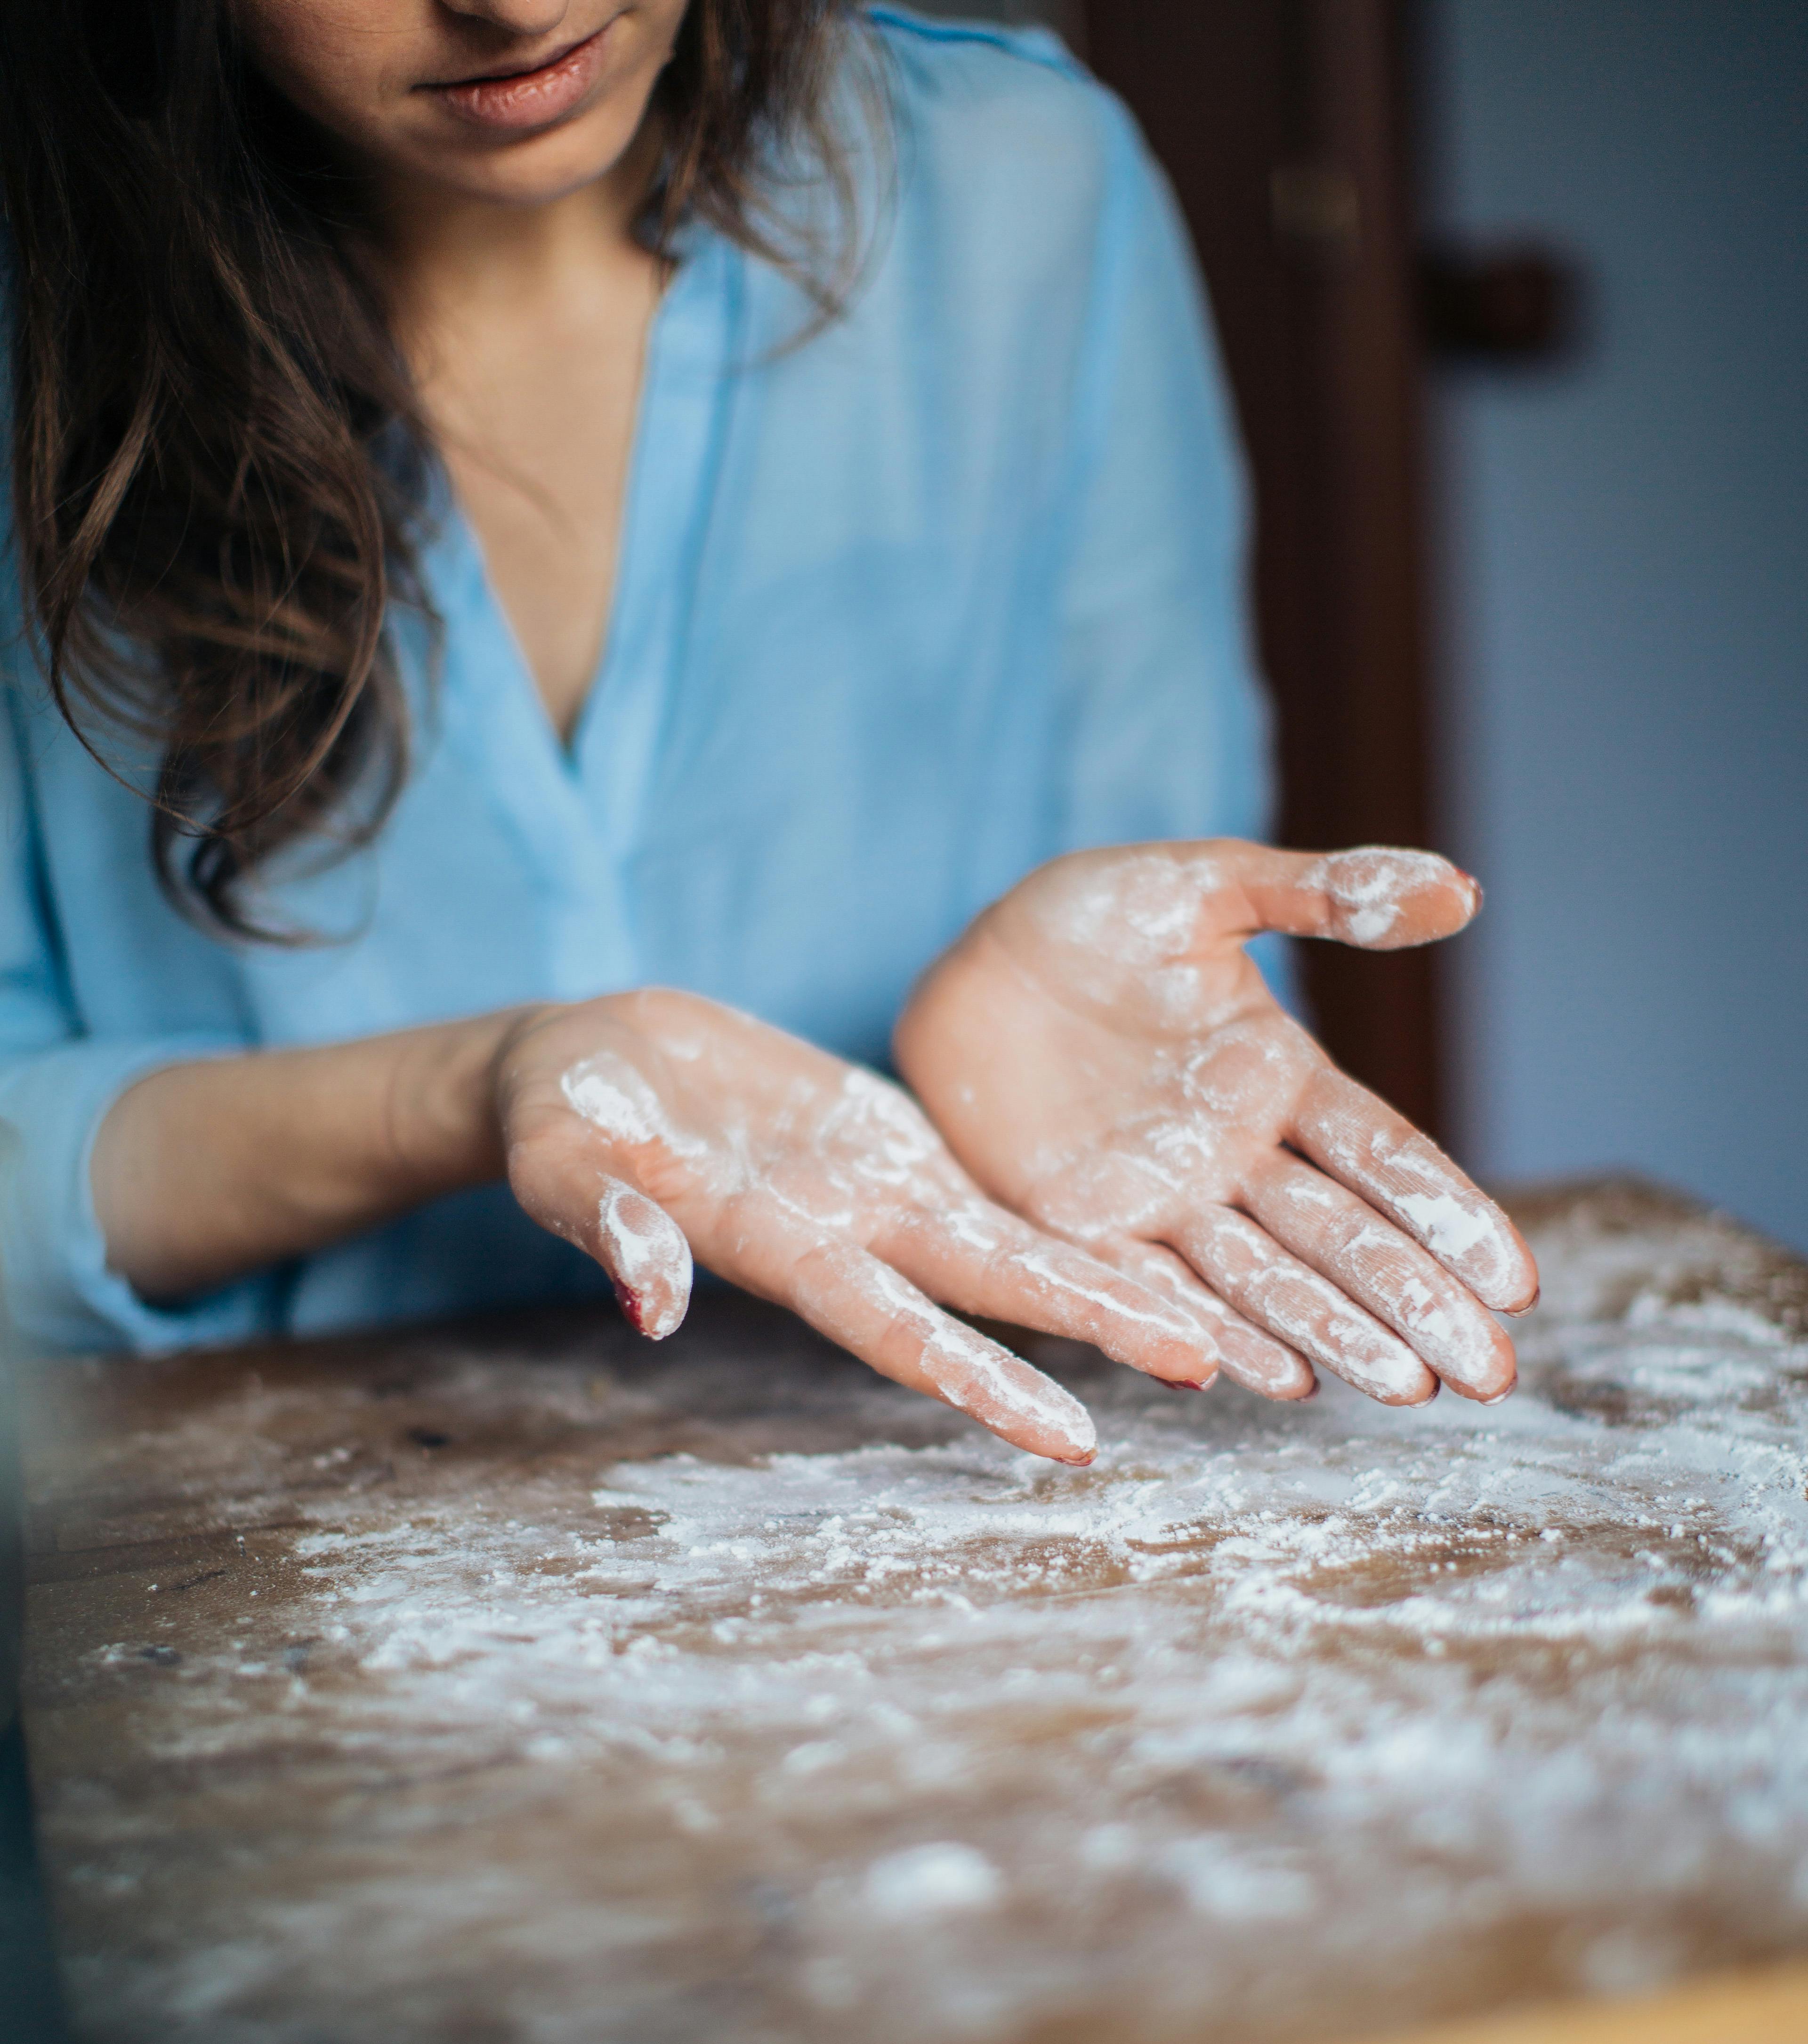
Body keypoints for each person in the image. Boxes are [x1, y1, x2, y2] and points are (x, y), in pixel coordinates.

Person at [0, 0, 1535, 1467]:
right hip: (247, 1565)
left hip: (941, 1499)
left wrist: (1072, 1083)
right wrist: (485, 1086)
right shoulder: (42, 320)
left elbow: (1178, 968)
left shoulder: (1023, 188)